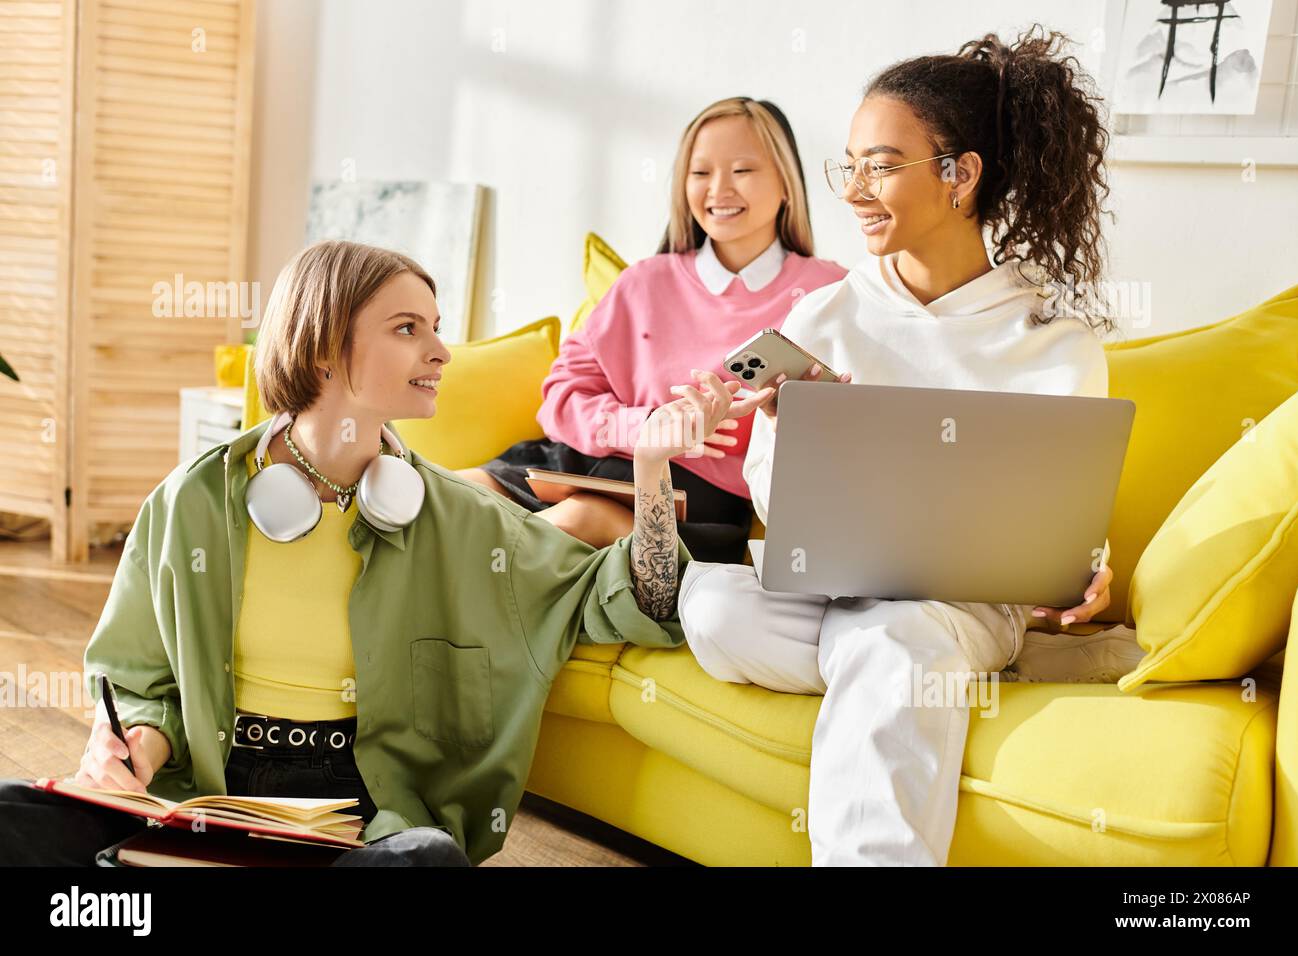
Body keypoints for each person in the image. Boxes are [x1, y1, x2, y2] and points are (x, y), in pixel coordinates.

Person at [0, 239, 767, 866]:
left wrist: (654, 470)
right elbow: (136, 675)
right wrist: (135, 739)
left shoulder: (460, 520)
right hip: (202, 792)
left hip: (361, 809)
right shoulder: (193, 501)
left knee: (424, 863)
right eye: (409, 329)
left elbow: (646, 597)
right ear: (326, 344)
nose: (441, 350)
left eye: (436, 327)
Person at [678, 25, 1136, 866]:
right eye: (846, 164)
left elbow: (1063, 521)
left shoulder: (1051, 341)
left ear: (960, 176)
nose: (854, 190)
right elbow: (780, 515)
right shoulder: (823, 316)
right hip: (836, 592)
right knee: (711, 608)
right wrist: (789, 435)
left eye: (880, 165)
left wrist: (1077, 574)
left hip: (963, 602)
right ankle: (964, 667)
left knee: (901, 630)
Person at [459, 96, 846, 563]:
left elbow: (845, 430)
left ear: (787, 184)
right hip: (573, 464)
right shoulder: (644, 281)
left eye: (742, 170)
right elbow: (560, 399)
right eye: (700, 173)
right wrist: (647, 427)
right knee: (449, 495)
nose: (718, 189)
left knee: (570, 522)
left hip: (694, 502)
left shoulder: (829, 290)